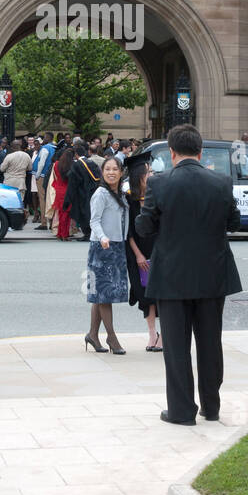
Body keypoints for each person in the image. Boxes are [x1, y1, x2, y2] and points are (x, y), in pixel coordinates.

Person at [135, 124, 242, 425]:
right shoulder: (221, 182)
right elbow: (234, 222)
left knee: (177, 347)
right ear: (200, 151)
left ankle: (182, 411)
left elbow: (144, 228)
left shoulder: (159, 183)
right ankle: (211, 406)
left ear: (171, 152)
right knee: (210, 343)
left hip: (172, 275)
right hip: (212, 273)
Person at [85, 154, 130, 354]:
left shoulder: (121, 194)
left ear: (121, 173)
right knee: (105, 295)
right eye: (107, 169)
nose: (111, 172)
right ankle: (112, 337)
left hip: (117, 247)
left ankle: (92, 335)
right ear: (102, 173)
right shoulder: (101, 194)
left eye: (115, 169)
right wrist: (103, 237)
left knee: (102, 295)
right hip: (102, 248)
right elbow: (93, 221)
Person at [125, 154, 161, 351]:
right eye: (148, 171)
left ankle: (163, 335)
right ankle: (151, 333)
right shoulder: (129, 200)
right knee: (145, 294)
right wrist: (138, 255)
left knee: (161, 294)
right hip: (138, 253)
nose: (151, 174)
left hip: (159, 252)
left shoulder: (157, 196)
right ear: (139, 175)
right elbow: (128, 232)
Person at [63, 142, 101, 242]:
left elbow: (72, 184)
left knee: (83, 214)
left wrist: (68, 200)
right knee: (91, 213)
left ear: (76, 155)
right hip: (93, 193)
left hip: (81, 195)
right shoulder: (91, 163)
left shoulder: (77, 165)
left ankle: (87, 234)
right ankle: (90, 233)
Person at [32, 132, 56, 230]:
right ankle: (51, 221)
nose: (43, 139)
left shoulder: (45, 148)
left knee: (42, 199)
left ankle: (44, 222)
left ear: (48, 138)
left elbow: (41, 163)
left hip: (42, 176)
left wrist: (37, 175)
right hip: (50, 175)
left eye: (45, 137)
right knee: (49, 198)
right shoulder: (54, 147)